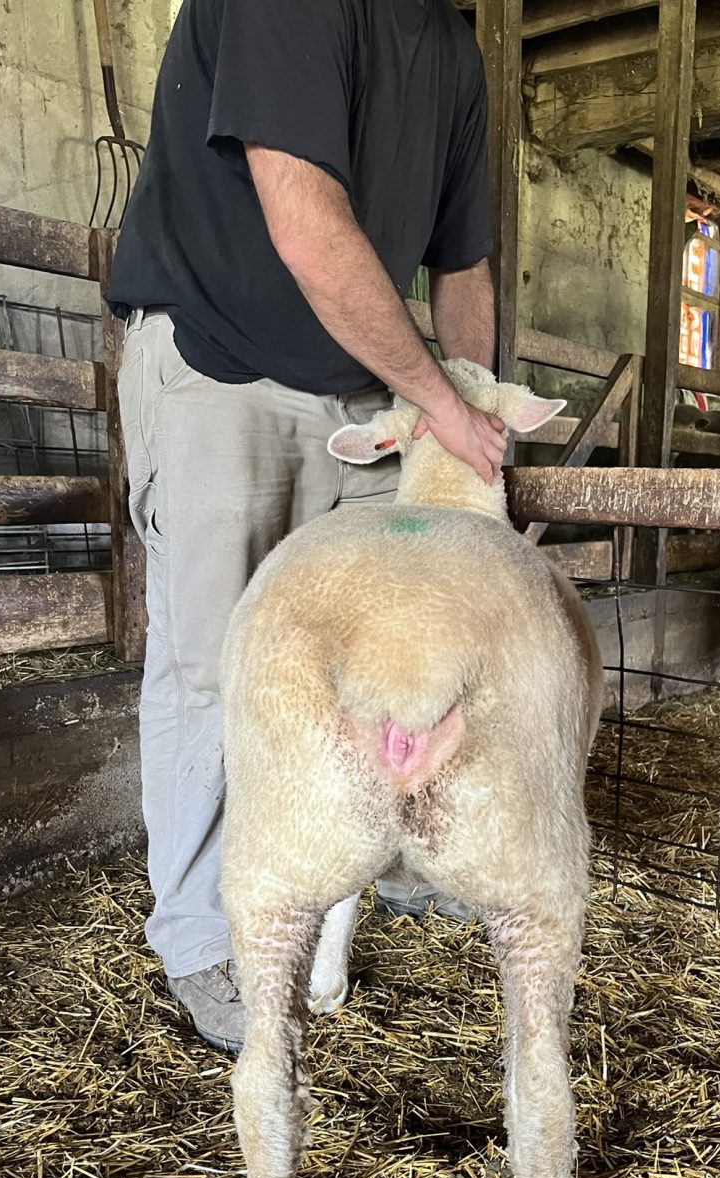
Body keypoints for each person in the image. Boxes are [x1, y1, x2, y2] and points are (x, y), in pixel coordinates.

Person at [106, 0, 504, 1054]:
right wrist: (443, 402)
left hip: (359, 399)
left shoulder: (457, 50)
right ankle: (199, 937)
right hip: (217, 365)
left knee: (383, 654)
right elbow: (304, 215)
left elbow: (464, 266)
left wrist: (468, 401)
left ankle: (377, 862)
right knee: (211, 664)